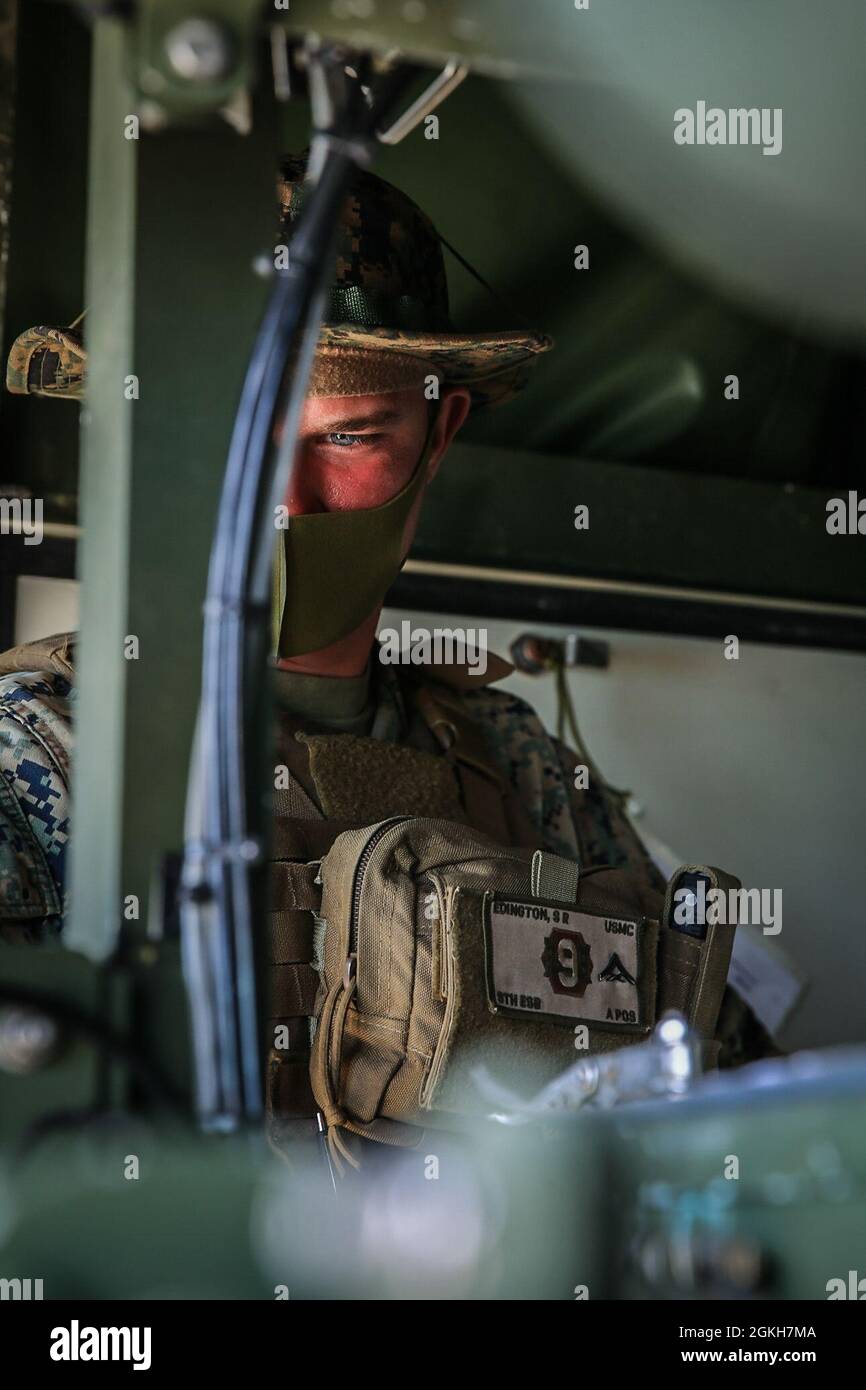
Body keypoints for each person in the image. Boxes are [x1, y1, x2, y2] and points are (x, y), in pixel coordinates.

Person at [0, 154, 776, 1147]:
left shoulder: (516, 764)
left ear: (438, 432)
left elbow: (722, 1093)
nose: (286, 503)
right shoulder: (34, 759)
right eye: (233, 445)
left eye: (347, 438)